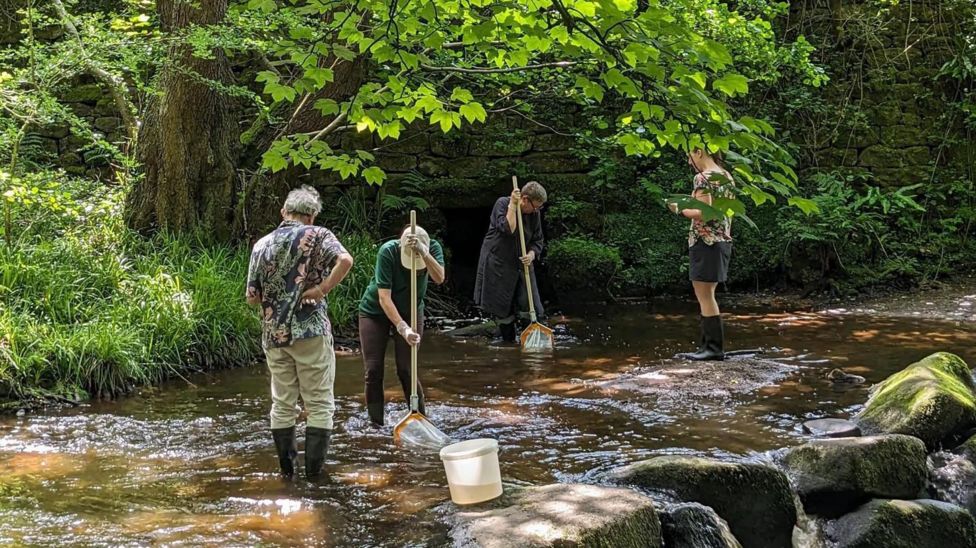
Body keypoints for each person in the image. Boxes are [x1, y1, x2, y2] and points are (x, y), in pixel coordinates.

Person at [245, 185, 354, 480]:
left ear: (284, 212)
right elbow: (345, 261)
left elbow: (252, 297)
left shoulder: (261, 244)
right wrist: (320, 289)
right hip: (310, 330)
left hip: (274, 334)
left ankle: (288, 473)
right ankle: (315, 479)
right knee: (318, 403)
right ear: (313, 215)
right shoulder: (318, 235)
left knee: (282, 403)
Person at [358, 223, 446, 426]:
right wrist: (402, 328)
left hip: (412, 309)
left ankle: (421, 419)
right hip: (376, 311)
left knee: (407, 369)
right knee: (373, 370)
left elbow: (439, 277)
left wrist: (424, 253)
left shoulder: (432, 247)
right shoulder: (389, 251)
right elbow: (384, 297)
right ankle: (376, 425)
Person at [669, 149, 734, 361]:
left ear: (700, 152)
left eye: (690, 155)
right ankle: (708, 346)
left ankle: (712, 349)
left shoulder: (703, 177)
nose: (689, 161)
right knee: (708, 294)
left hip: (705, 241)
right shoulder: (725, 175)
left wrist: (678, 208)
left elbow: (702, 212)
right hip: (721, 241)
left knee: (704, 295)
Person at [474, 181, 547, 343]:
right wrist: (513, 205)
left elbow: (538, 240)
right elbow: (508, 228)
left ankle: (531, 342)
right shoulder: (502, 204)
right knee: (502, 309)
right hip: (498, 262)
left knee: (532, 305)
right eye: (535, 207)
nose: (536, 211)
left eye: (539, 208)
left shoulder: (534, 215)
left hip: (522, 262)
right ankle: (508, 343)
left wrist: (532, 254)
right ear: (525, 199)